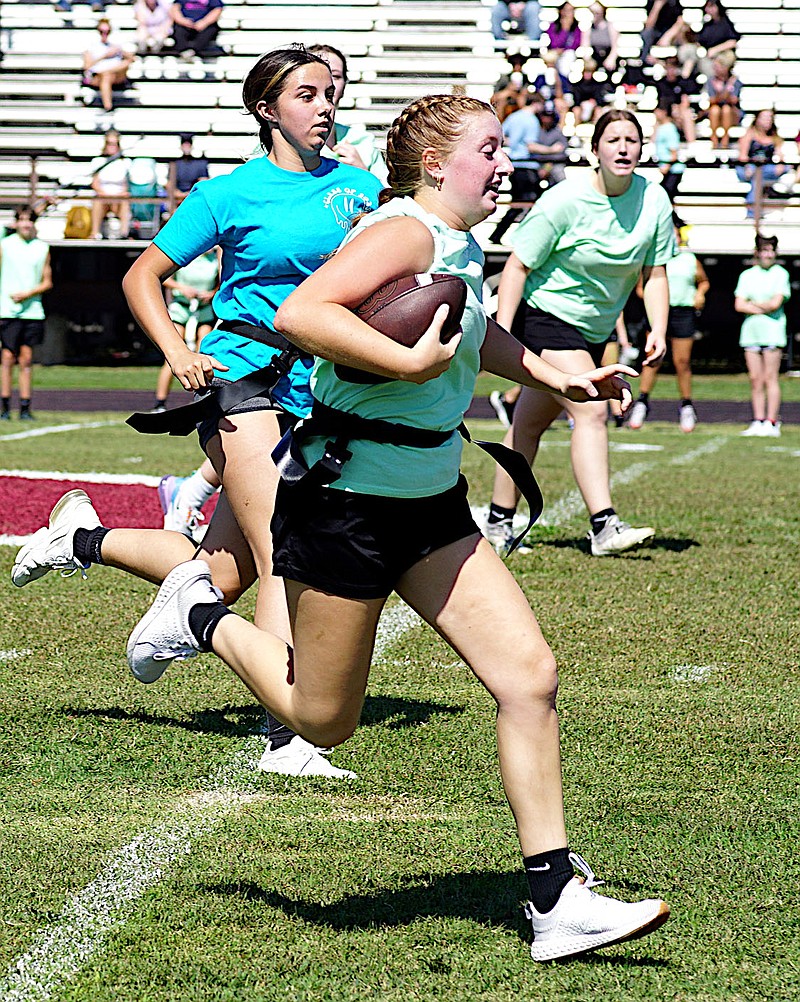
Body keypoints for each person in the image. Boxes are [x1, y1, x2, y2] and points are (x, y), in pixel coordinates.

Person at [123, 92, 670, 962]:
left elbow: (478, 333)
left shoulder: (458, 242)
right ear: (437, 165)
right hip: (348, 503)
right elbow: (303, 314)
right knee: (322, 719)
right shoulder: (406, 231)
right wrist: (406, 361)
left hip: (431, 502)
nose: (505, 163)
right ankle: (199, 611)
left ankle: (555, 900)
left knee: (528, 676)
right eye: (489, 149)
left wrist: (558, 378)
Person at [12, 46, 383, 780]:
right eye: (307, 95)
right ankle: (286, 736)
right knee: (284, 544)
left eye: (330, 94)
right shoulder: (226, 193)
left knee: (222, 571)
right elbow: (142, 275)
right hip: (243, 378)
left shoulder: (361, 188)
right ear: (266, 109)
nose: (325, 106)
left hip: (320, 392)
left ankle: (80, 539)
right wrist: (177, 348)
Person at [485, 109, 674, 558]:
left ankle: (496, 521)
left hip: (593, 329)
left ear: (642, 150)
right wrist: (504, 335)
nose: (623, 148)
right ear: (595, 150)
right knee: (591, 410)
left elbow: (656, 273)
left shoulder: (654, 200)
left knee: (529, 424)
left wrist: (659, 329)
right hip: (545, 316)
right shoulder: (564, 200)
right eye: (613, 140)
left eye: (631, 140)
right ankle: (604, 526)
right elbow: (517, 266)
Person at [628, 216, 709, 432]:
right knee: (652, 358)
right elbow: (641, 288)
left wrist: (700, 293)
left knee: (682, 361)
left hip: (682, 312)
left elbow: (703, 281)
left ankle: (686, 406)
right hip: (658, 312)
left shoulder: (689, 259)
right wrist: (654, 300)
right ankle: (642, 402)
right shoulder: (654, 258)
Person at [0, 207, 52, 422]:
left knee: (26, 359)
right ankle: (4, 407)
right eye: (21, 220)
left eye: (29, 220)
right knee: (7, 357)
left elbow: (47, 282)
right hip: (7, 310)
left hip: (32, 312)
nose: (26, 224)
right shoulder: (5, 244)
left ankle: (25, 407)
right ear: (16, 223)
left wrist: (28, 294)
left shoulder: (42, 248)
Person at [152, 248, 220, 412]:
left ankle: (201, 400)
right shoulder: (186, 255)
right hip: (181, 309)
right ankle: (160, 403)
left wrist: (212, 293)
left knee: (204, 354)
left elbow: (223, 281)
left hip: (203, 310)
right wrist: (182, 288)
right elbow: (162, 277)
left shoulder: (214, 260)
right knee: (172, 356)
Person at [735, 233, 789, 437]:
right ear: (757, 253)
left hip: (773, 333)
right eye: (764, 251)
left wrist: (753, 305)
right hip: (751, 333)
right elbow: (739, 304)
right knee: (755, 379)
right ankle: (758, 420)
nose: (768, 255)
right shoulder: (747, 275)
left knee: (770, 377)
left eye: (771, 251)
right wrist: (761, 307)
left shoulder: (780, 274)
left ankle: (772, 421)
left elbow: (775, 303)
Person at [308, 44, 388, 183]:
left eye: (335, 76)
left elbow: (387, 193)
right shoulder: (282, 141)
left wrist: (363, 174)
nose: (328, 82)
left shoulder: (364, 142)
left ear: (345, 84)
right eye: (317, 74)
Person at [489, 89, 544, 244]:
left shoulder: (514, 116)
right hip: (527, 166)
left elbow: (502, 136)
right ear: (537, 104)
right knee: (528, 203)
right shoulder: (531, 120)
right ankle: (520, 238)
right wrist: (553, 150)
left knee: (519, 203)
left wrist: (514, 144)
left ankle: (498, 234)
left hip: (516, 165)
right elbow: (531, 145)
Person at [735, 110, 787, 216]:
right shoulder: (749, 134)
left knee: (761, 175)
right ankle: (753, 212)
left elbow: (780, 156)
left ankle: (752, 213)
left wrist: (780, 165)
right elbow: (743, 156)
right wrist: (748, 167)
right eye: (764, 118)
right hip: (748, 167)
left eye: (770, 118)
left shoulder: (775, 137)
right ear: (757, 119)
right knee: (757, 175)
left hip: (765, 168)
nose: (767, 120)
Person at [82, 18, 135, 116]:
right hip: (98, 75)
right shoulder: (91, 47)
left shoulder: (115, 45)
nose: (105, 34)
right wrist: (105, 55)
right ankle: (108, 107)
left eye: (107, 32)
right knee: (106, 75)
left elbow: (132, 59)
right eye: (102, 31)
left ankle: (108, 106)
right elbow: (87, 66)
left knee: (125, 64)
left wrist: (120, 51)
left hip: (116, 74)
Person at [89, 129, 131, 240]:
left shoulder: (125, 162)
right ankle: (95, 233)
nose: (111, 147)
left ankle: (124, 234)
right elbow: (95, 184)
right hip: (103, 197)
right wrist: (105, 194)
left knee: (125, 201)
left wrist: (119, 195)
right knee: (97, 200)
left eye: (114, 144)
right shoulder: (98, 161)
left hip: (119, 198)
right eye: (109, 143)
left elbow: (127, 185)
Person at [654, 56, 697, 144]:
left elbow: (685, 101)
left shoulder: (683, 83)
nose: (671, 71)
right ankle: (654, 144)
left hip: (680, 114)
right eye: (669, 68)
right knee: (659, 116)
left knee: (687, 114)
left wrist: (677, 110)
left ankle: (691, 143)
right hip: (666, 114)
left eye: (673, 68)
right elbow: (660, 105)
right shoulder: (661, 84)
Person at [704, 55, 742, 150]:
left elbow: (734, 100)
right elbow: (711, 100)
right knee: (715, 110)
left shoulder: (735, 81)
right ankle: (714, 139)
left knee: (726, 109)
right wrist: (724, 94)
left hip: (732, 113)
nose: (715, 70)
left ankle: (725, 139)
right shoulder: (711, 81)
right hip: (716, 111)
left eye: (718, 67)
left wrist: (722, 93)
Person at [696, 0, 740, 79]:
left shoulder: (725, 23)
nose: (708, 10)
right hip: (708, 56)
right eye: (707, 7)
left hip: (723, 54)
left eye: (711, 6)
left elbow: (732, 42)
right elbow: (699, 41)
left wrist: (715, 50)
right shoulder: (706, 24)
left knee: (718, 63)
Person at [529, 99, 567, 187]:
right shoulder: (535, 130)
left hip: (554, 164)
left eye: (549, 116)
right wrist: (550, 150)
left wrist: (547, 167)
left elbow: (560, 152)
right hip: (537, 163)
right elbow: (530, 148)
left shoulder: (557, 132)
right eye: (544, 115)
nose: (546, 119)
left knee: (560, 176)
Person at [653, 99, 684, 202]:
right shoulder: (662, 127)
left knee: (665, 199)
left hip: (672, 170)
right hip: (666, 169)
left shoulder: (669, 129)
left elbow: (674, 152)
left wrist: (667, 165)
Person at [166, 134, 209, 209]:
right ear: (181, 146)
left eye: (188, 145)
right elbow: (169, 183)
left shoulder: (200, 164)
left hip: (194, 197)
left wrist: (190, 194)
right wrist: (177, 194)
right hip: (177, 198)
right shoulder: (175, 164)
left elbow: (204, 182)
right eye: (184, 145)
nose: (186, 147)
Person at [640, 0, 685, 66]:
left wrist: (668, 36)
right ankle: (646, 61)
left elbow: (680, 21)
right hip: (655, 32)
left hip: (670, 33)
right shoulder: (651, 2)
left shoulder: (674, 2)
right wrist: (657, 7)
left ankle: (676, 64)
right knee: (646, 34)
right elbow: (649, 25)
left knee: (681, 34)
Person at [570, 58, 613, 127]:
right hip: (581, 107)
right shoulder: (577, 85)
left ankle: (596, 128)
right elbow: (576, 100)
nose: (588, 74)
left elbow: (599, 99)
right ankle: (575, 130)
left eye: (590, 72)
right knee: (576, 110)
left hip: (593, 108)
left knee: (598, 110)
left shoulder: (597, 85)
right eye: (586, 72)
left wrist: (594, 102)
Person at [544, 2, 581, 76]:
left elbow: (575, 44)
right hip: (554, 52)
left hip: (568, 53)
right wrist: (564, 30)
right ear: (561, 11)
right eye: (566, 10)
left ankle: (563, 80)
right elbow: (554, 42)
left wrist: (568, 28)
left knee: (567, 58)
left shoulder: (576, 28)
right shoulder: (553, 26)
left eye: (571, 10)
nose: (568, 13)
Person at [582, 3, 619, 73]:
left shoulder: (610, 27)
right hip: (595, 57)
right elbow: (585, 45)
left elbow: (615, 47)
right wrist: (588, 60)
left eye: (597, 13)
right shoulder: (589, 28)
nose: (595, 15)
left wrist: (611, 59)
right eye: (593, 12)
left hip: (608, 56)